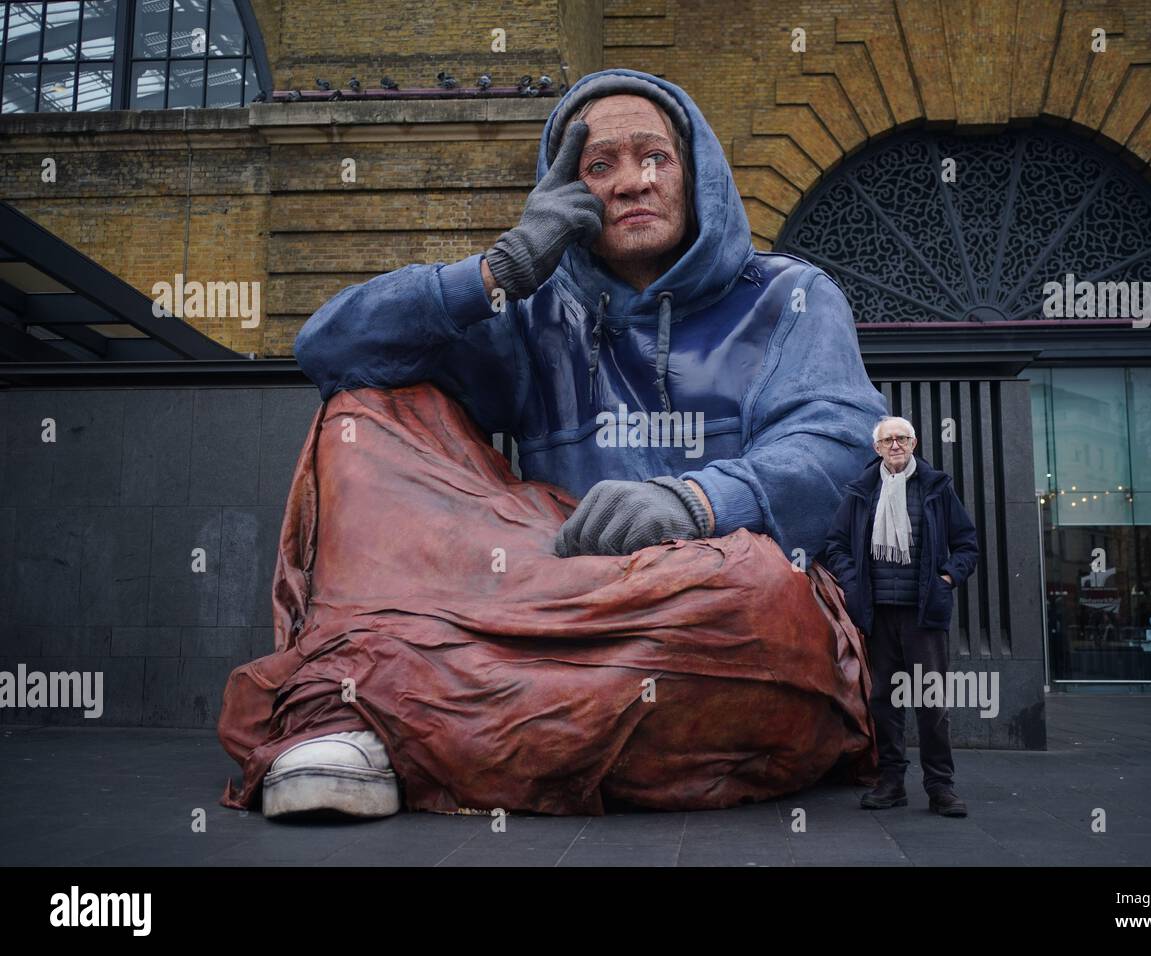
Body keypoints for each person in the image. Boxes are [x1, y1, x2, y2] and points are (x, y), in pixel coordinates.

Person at [258, 67, 890, 818]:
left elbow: (844, 448)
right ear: (566, 190)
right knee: (366, 411)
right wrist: (499, 269)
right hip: (556, 589)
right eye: (599, 165)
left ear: (698, 176)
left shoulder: (790, 296)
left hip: (712, 601)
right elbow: (329, 351)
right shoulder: (532, 312)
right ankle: (456, 717)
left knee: (761, 593)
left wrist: (694, 503)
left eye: (654, 157)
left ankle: (394, 720)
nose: (631, 182)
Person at [822, 416, 979, 818]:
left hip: (923, 615)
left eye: (902, 438)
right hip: (877, 615)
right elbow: (836, 545)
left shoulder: (936, 488)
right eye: (888, 440)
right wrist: (854, 586)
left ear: (914, 443)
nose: (895, 445)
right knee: (884, 702)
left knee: (931, 703)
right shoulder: (861, 492)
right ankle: (891, 782)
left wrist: (946, 578)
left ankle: (940, 786)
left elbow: (967, 544)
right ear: (876, 448)